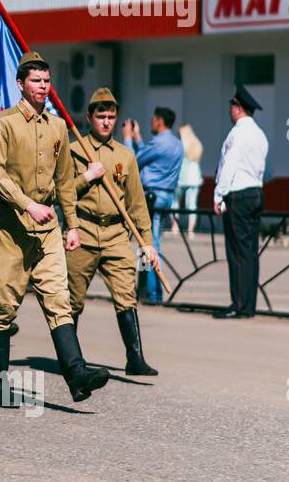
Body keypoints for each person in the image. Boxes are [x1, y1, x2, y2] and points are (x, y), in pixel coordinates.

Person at [0, 51, 109, 403]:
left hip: (49, 229)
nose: (43, 87)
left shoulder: (57, 126)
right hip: (10, 229)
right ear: (20, 84)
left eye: (47, 81)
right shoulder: (2, 123)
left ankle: (77, 375)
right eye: (36, 81)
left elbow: (65, 179)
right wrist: (27, 204)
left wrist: (72, 224)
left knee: (58, 299)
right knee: (3, 307)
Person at [67, 88, 159, 376]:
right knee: (73, 299)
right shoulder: (74, 150)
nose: (106, 122)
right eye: (100, 116)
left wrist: (148, 243)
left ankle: (135, 358)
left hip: (116, 234)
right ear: (89, 117)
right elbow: (62, 192)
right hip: (81, 230)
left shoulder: (125, 155)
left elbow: (137, 203)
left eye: (111, 117)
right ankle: (71, 360)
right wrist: (87, 177)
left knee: (125, 295)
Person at [212, 85, 268, 319]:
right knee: (250, 252)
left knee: (236, 251)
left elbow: (230, 164)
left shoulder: (238, 133)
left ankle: (239, 304)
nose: (229, 111)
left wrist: (218, 194)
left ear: (238, 108)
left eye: (231, 107)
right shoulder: (260, 134)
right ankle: (248, 305)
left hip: (239, 195)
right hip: (255, 192)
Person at [125, 107, 182, 306]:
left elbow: (133, 161)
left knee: (150, 243)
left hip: (151, 196)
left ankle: (151, 291)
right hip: (166, 196)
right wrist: (138, 137)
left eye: (152, 119)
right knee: (148, 242)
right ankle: (148, 289)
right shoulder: (176, 143)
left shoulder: (159, 143)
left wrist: (127, 138)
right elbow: (149, 155)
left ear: (158, 121)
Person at [173, 124, 204, 237]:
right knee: (192, 205)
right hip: (194, 179)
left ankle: (175, 227)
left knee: (175, 203)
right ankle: (190, 230)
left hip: (180, 179)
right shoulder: (197, 145)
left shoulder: (180, 144)